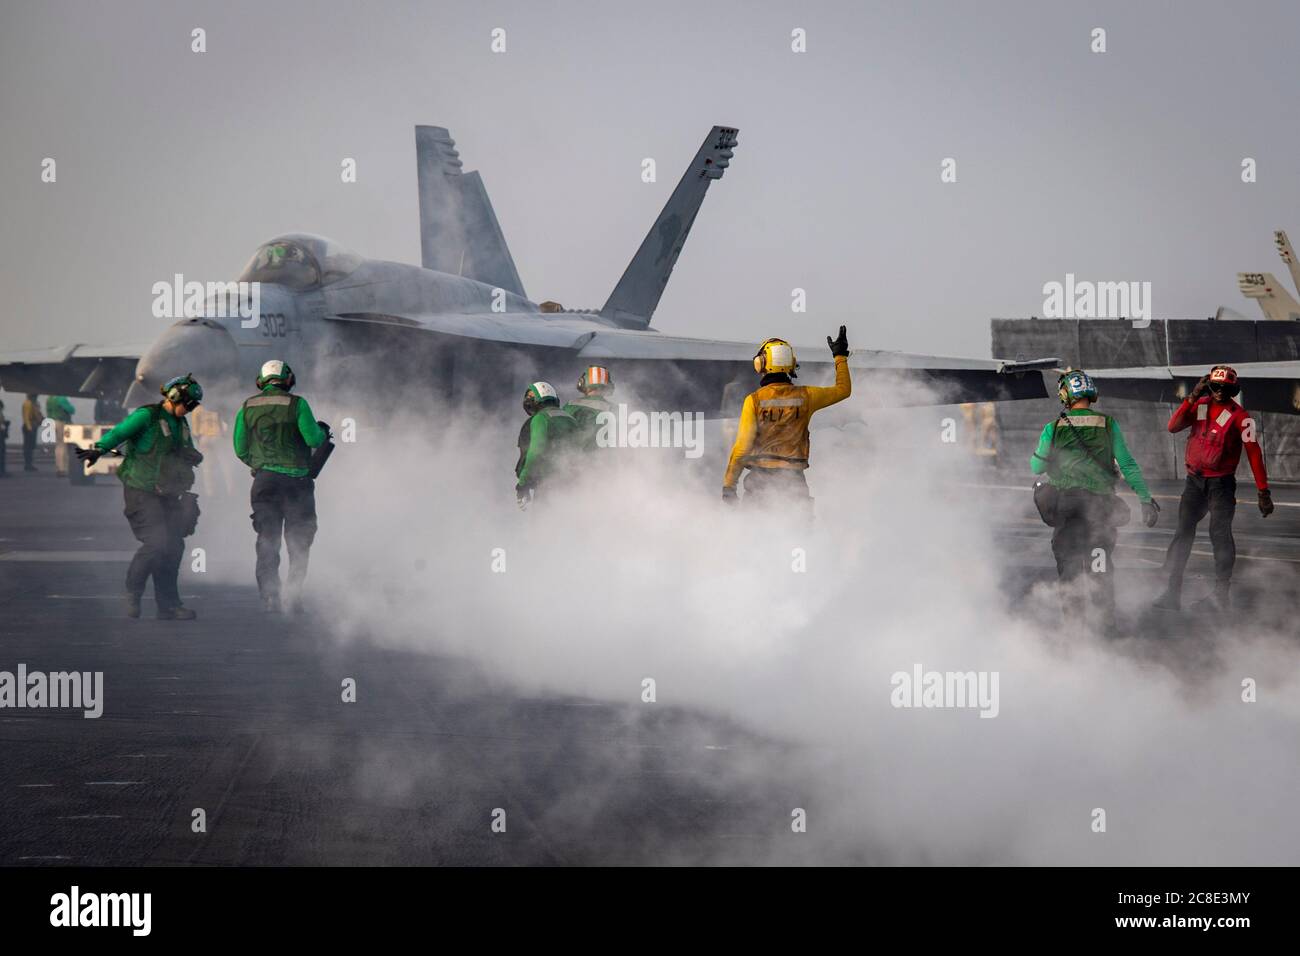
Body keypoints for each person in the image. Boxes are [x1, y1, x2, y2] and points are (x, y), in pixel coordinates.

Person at [1030, 370, 1159, 634]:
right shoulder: (1108, 424)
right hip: (1099, 509)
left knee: (1069, 569)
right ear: (1091, 393)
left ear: (1066, 394)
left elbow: (1035, 467)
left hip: (1067, 507)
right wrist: (1145, 499)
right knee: (1100, 566)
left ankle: (1074, 630)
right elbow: (1128, 465)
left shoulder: (1053, 427)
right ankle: (1106, 628)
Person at [77, 375, 205, 620]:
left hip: (168, 493)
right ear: (176, 397)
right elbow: (120, 433)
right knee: (157, 543)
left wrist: (193, 456)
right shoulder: (147, 416)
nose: (190, 409)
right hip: (141, 490)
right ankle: (133, 593)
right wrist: (98, 449)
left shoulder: (181, 424)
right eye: (188, 403)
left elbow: (184, 449)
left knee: (174, 546)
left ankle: (168, 605)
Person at [1152, 365, 1271, 612]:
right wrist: (1193, 396)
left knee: (1220, 535)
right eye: (1215, 386)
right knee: (1182, 533)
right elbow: (1173, 427)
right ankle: (1172, 593)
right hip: (1194, 483)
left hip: (1221, 486)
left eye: (1225, 388)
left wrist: (1263, 492)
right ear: (1209, 386)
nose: (1219, 391)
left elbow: (1254, 453)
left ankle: (1220, 595)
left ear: (1232, 390)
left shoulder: (1241, 416)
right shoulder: (1201, 405)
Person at [233, 360, 328, 614]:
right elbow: (313, 439)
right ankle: (294, 595)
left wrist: (260, 464)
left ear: (260, 382)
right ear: (288, 380)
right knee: (299, 543)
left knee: (267, 539)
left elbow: (240, 449)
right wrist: (321, 431)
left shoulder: (247, 407)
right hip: (297, 483)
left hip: (265, 483)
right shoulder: (298, 404)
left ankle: (270, 596)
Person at [722, 326, 852, 511]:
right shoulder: (807, 396)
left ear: (761, 364)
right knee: (797, 536)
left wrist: (729, 486)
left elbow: (742, 448)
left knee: (754, 537)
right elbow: (843, 390)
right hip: (794, 483)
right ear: (791, 364)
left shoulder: (754, 401)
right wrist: (840, 356)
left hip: (760, 485)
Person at [516, 382, 578, 507]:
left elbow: (536, 451)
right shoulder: (570, 418)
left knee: (543, 523)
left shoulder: (541, 418)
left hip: (548, 485)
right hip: (574, 486)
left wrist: (523, 483)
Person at [563, 365, 616, 451]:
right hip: (608, 460)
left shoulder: (571, 406)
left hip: (578, 459)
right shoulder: (616, 409)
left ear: (583, 383)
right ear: (608, 386)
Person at [46, 395, 75, 476]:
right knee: (63, 446)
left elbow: (48, 412)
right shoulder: (62, 399)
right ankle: (63, 468)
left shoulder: (49, 399)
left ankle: (58, 467)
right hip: (61, 422)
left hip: (52, 422)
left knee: (58, 445)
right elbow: (71, 410)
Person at [21, 393, 41, 471]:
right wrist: (29, 428)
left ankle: (29, 464)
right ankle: (28, 464)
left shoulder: (34, 404)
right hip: (29, 426)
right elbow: (26, 417)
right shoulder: (28, 403)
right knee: (28, 447)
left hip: (32, 426)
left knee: (31, 446)